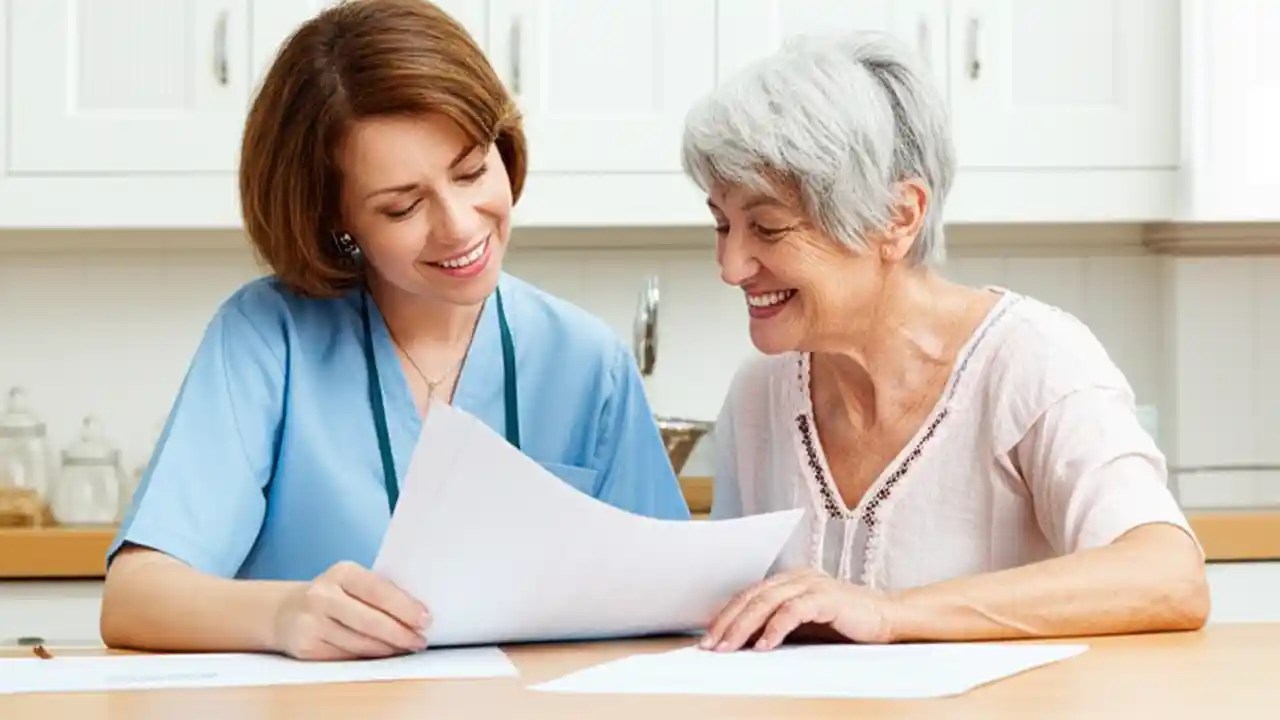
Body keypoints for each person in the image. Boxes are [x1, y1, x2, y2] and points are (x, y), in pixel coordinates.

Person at [100, 0, 688, 661]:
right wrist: (284, 613)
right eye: (403, 206)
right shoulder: (269, 340)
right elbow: (133, 596)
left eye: (471, 171)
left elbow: (672, 604)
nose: (461, 225)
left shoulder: (587, 362)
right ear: (335, 219)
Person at [680, 32, 1209, 652]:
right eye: (722, 223)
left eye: (767, 228)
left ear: (898, 218)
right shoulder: (759, 394)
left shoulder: (1032, 361)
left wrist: (889, 614)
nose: (732, 265)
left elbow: (1169, 575)